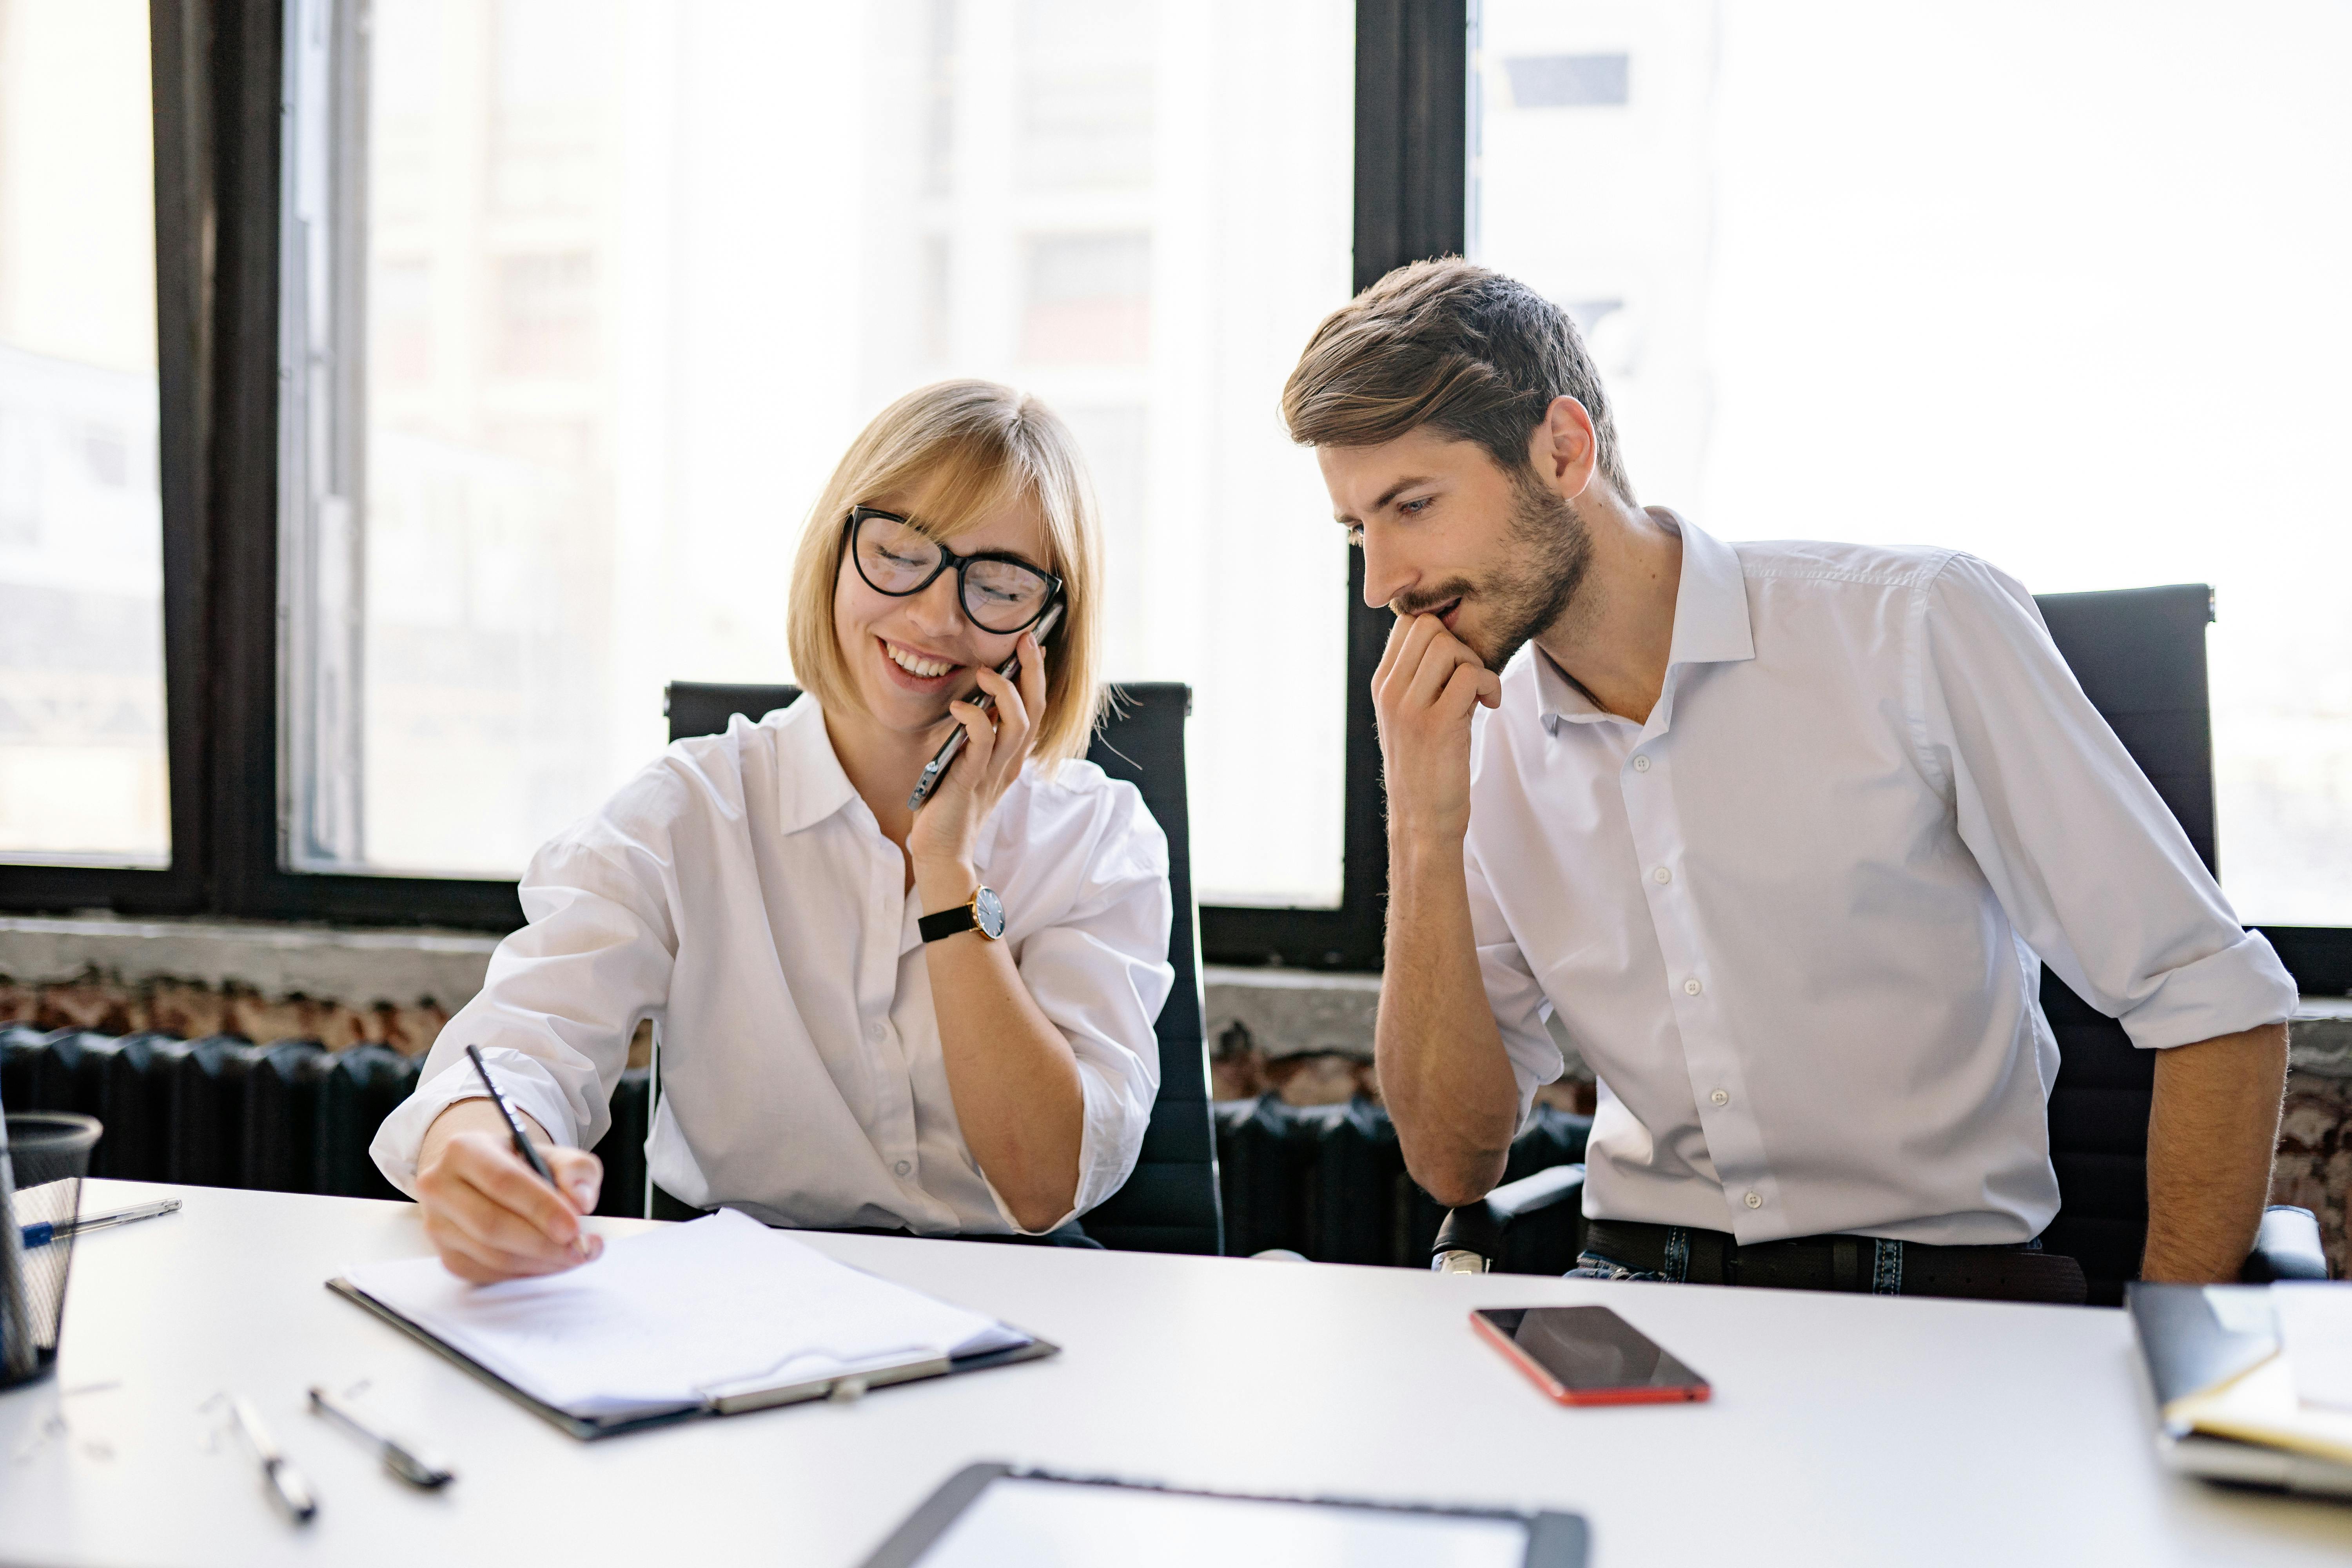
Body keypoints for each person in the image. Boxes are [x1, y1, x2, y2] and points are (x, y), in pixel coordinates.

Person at [1282, 259, 2295, 1301]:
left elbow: (2216, 999)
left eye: (1413, 505)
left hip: (1938, 1306)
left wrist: (2166, 1362)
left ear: (1563, 451)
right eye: (1360, 531)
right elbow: (1454, 1163)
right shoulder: (1477, 736)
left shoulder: (1913, 628)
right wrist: (1422, 824)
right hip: (1640, 1294)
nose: (1382, 584)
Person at [371, 381, 1173, 1282]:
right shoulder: (689, 811)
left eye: (997, 584)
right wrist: (480, 1153)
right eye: (898, 552)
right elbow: (525, 1040)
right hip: (738, 1295)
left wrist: (948, 867)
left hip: (1017, 1298)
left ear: (1049, 627)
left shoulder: (1099, 836)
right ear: (837, 551)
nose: (933, 616)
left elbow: (1043, 1183)